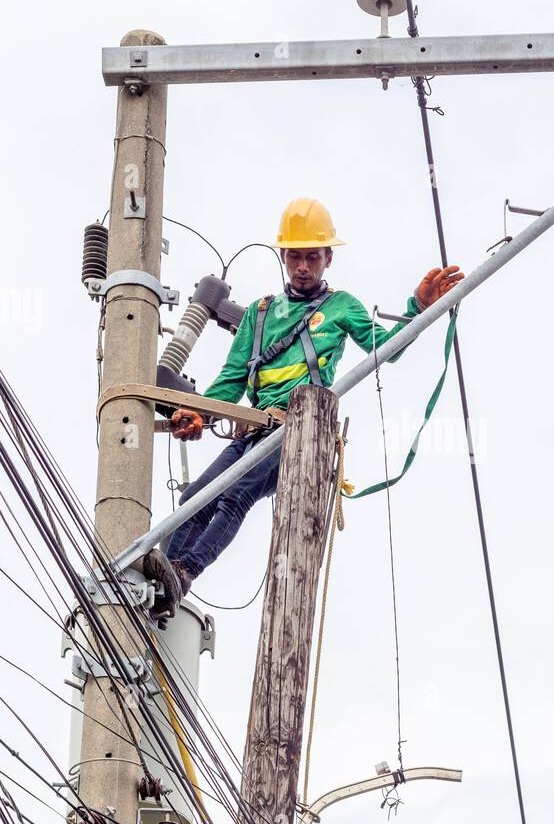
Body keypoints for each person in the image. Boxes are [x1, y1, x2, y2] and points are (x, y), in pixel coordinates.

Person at [143, 197, 462, 616]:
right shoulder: (259, 314)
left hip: (299, 432)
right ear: (284, 256)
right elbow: (231, 381)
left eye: (313, 257)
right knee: (193, 498)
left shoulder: (340, 306)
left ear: (328, 257)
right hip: (254, 429)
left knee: (235, 493)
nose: (303, 267)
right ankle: (162, 584)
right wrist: (202, 412)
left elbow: (387, 350)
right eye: (295, 257)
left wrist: (417, 309)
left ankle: (184, 573)